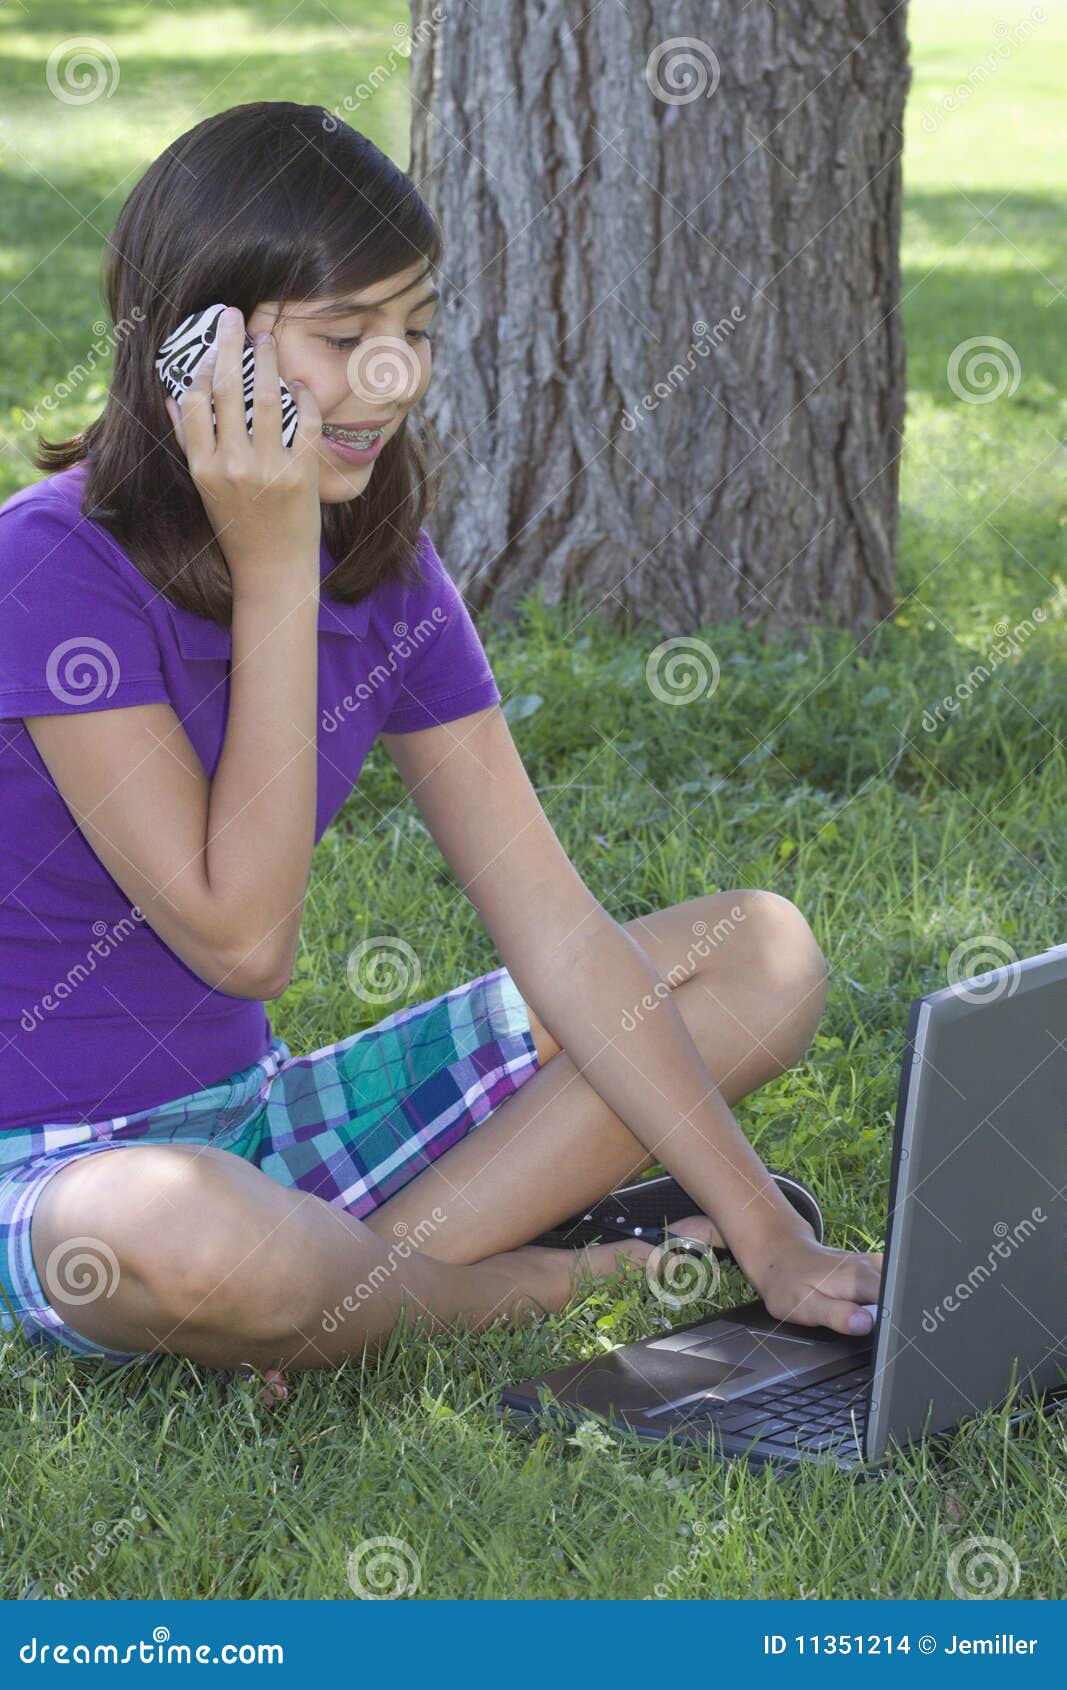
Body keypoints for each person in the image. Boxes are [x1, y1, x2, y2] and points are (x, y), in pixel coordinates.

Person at [0, 102, 881, 1400]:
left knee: (762, 954)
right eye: (344, 336)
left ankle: (346, 1291)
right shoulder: (52, 564)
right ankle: (520, 1280)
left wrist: (769, 1232)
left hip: (267, 1123)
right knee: (191, 1233)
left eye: (415, 329)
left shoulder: (387, 570)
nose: (394, 378)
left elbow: (558, 931)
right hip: (67, 1181)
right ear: (196, 351)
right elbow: (243, 942)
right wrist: (276, 568)